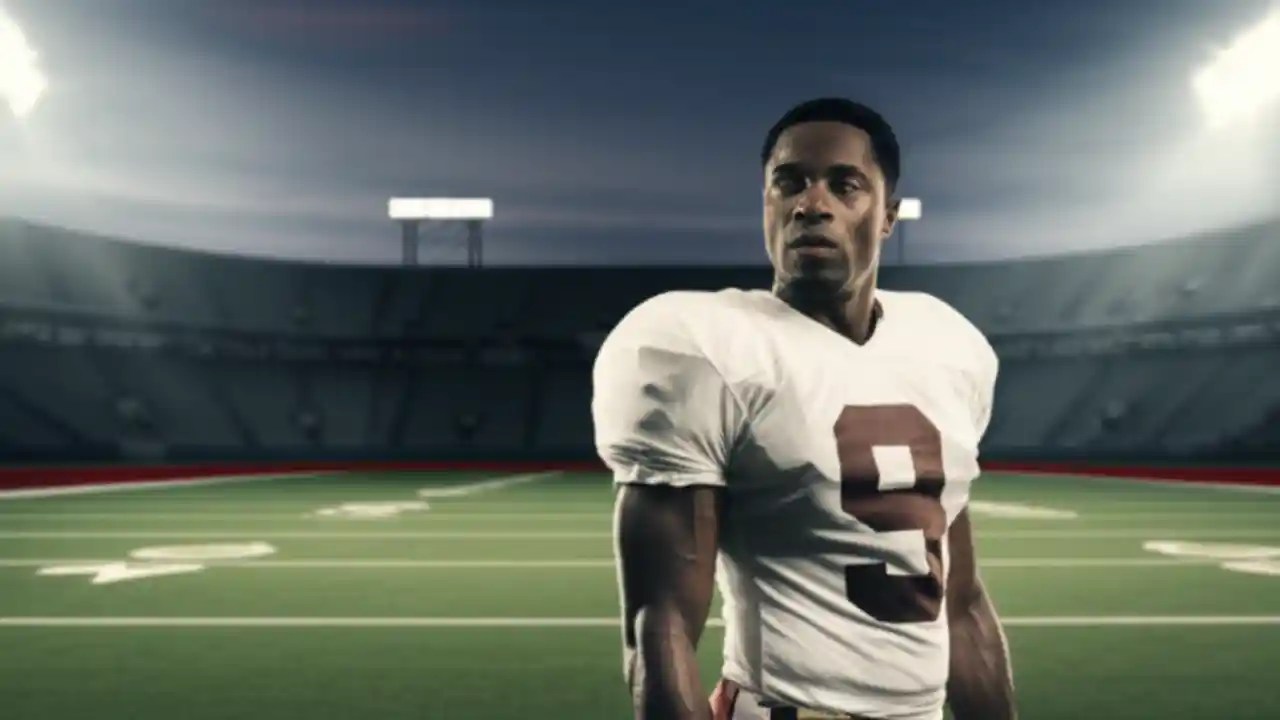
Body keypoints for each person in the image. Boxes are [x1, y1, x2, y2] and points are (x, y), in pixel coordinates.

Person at [592, 97, 1015, 720]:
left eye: (845, 185)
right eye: (789, 183)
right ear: (767, 203)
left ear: (888, 216)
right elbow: (662, 625)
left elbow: (962, 603)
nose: (811, 204)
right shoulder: (706, 348)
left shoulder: (948, 346)